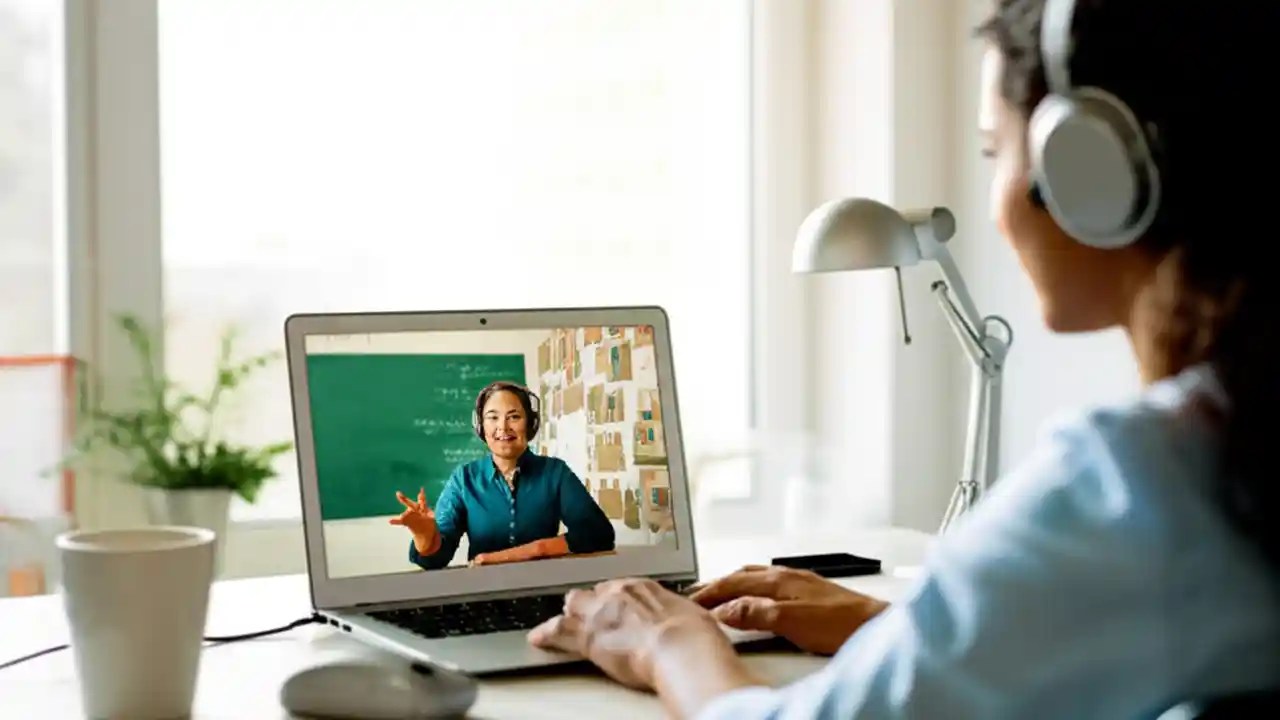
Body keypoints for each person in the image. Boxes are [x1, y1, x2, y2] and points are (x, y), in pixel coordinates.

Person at [524, 1, 1280, 717]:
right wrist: (905, 629)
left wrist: (666, 641)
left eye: (995, 149)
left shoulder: (1137, 486)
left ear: (1088, 171)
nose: (997, 194)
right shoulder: (1230, 459)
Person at [392, 380, 615, 569]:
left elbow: (598, 534)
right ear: (481, 426)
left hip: (545, 591)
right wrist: (423, 534)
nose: (503, 427)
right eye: (492, 417)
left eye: (514, 417)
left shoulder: (555, 472)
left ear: (530, 423)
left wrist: (528, 551)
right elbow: (437, 559)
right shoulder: (463, 479)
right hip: (483, 597)